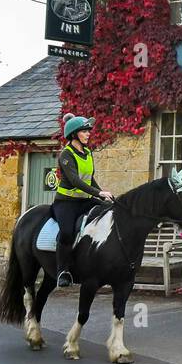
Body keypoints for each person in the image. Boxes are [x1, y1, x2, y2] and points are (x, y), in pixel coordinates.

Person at [53, 113, 113, 288]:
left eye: (89, 131)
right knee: (66, 233)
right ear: (74, 134)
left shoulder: (88, 152)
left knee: (109, 210)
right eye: (84, 131)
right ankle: (62, 271)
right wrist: (98, 193)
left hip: (85, 200)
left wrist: (102, 193)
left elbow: (89, 178)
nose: (88, 134)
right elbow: (75, 181)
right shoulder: (66, 154)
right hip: (66, 203)